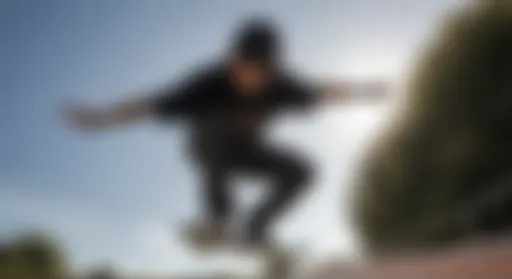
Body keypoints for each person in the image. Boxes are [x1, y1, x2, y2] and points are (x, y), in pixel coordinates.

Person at [64, 18, 389, 249]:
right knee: (217, 124)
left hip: (248, 153)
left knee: (303, 171)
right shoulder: (207, 83)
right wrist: (101, 118)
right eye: (243, 67)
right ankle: (218, 217)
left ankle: (255, 229)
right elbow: (150, 105)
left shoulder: (282, 86)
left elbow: (323, 92)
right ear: (233, 60)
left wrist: (368, 91)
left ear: (272, 68)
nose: (251, 78)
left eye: (260, 71)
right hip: (208, 150)